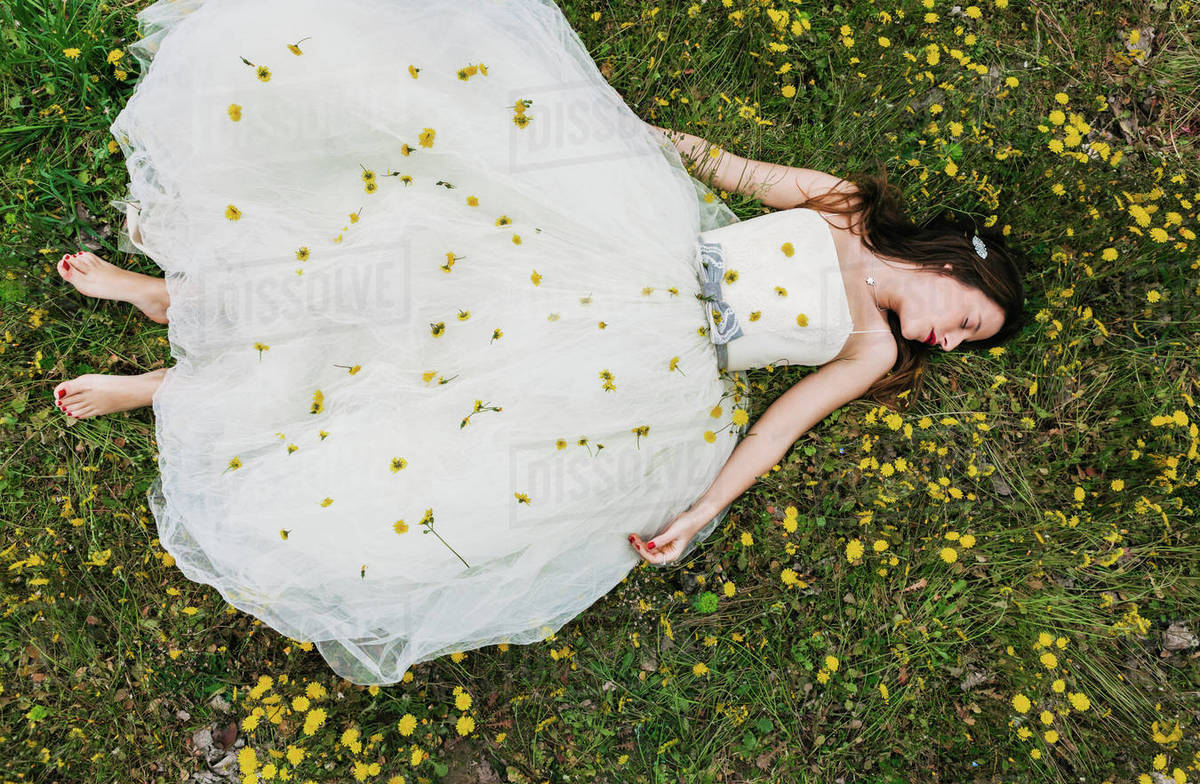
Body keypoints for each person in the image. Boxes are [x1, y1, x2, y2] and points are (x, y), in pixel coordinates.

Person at [51, 0, 1027, 685]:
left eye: (960, 344)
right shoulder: (843, 206)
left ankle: (162, 387)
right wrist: (611, 131)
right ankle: (172, 297)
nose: (945, 340)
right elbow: (728, 165)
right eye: (966, 321)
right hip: (623, 241)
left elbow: (775, 433)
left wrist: (698, 512)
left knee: (413, 387)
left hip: (652, 379)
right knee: (397, 253)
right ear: (955, 271)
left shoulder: (873, 354)